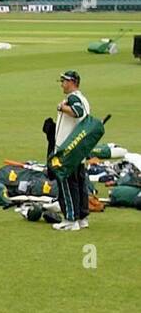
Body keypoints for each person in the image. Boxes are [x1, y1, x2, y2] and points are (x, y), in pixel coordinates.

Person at [51, 70, 92, 232]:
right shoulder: (84, 99)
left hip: (68, 149)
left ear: (73, 82)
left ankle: (70, 219)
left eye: (64, 81)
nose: (62, 84)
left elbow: (77, 112)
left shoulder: (73, 98)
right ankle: (82, 218)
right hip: (78, 148)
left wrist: (62, 107)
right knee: (80, 183)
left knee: (67, 184)